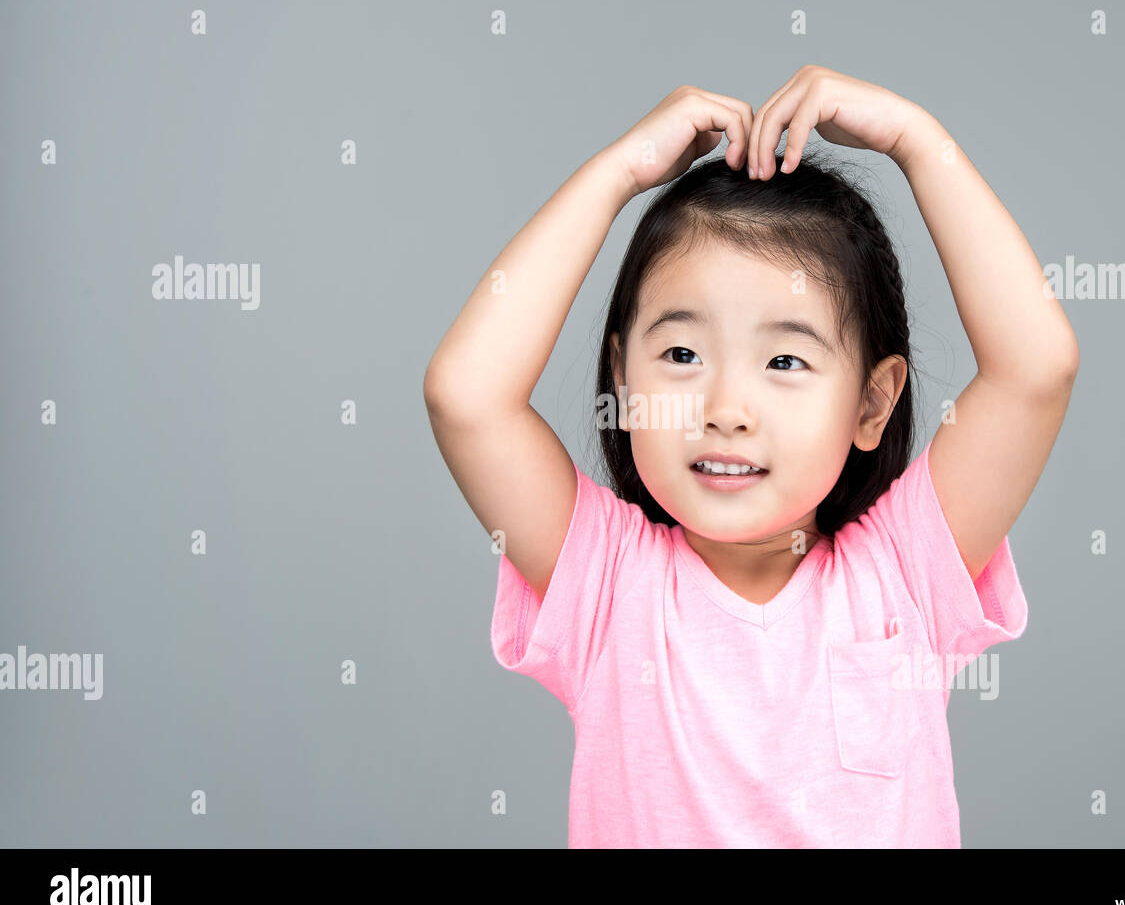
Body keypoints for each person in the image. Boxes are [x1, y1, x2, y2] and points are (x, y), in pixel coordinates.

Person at [424, 66, 1078, 847]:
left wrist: (917, 140)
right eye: (682, 353)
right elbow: (467, 397)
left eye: (784, 361)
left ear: (871, 404)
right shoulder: (607, 583)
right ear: (624, 382)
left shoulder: (904, 573)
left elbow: (1035, 370)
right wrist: (618, 173)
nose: (726, 410)